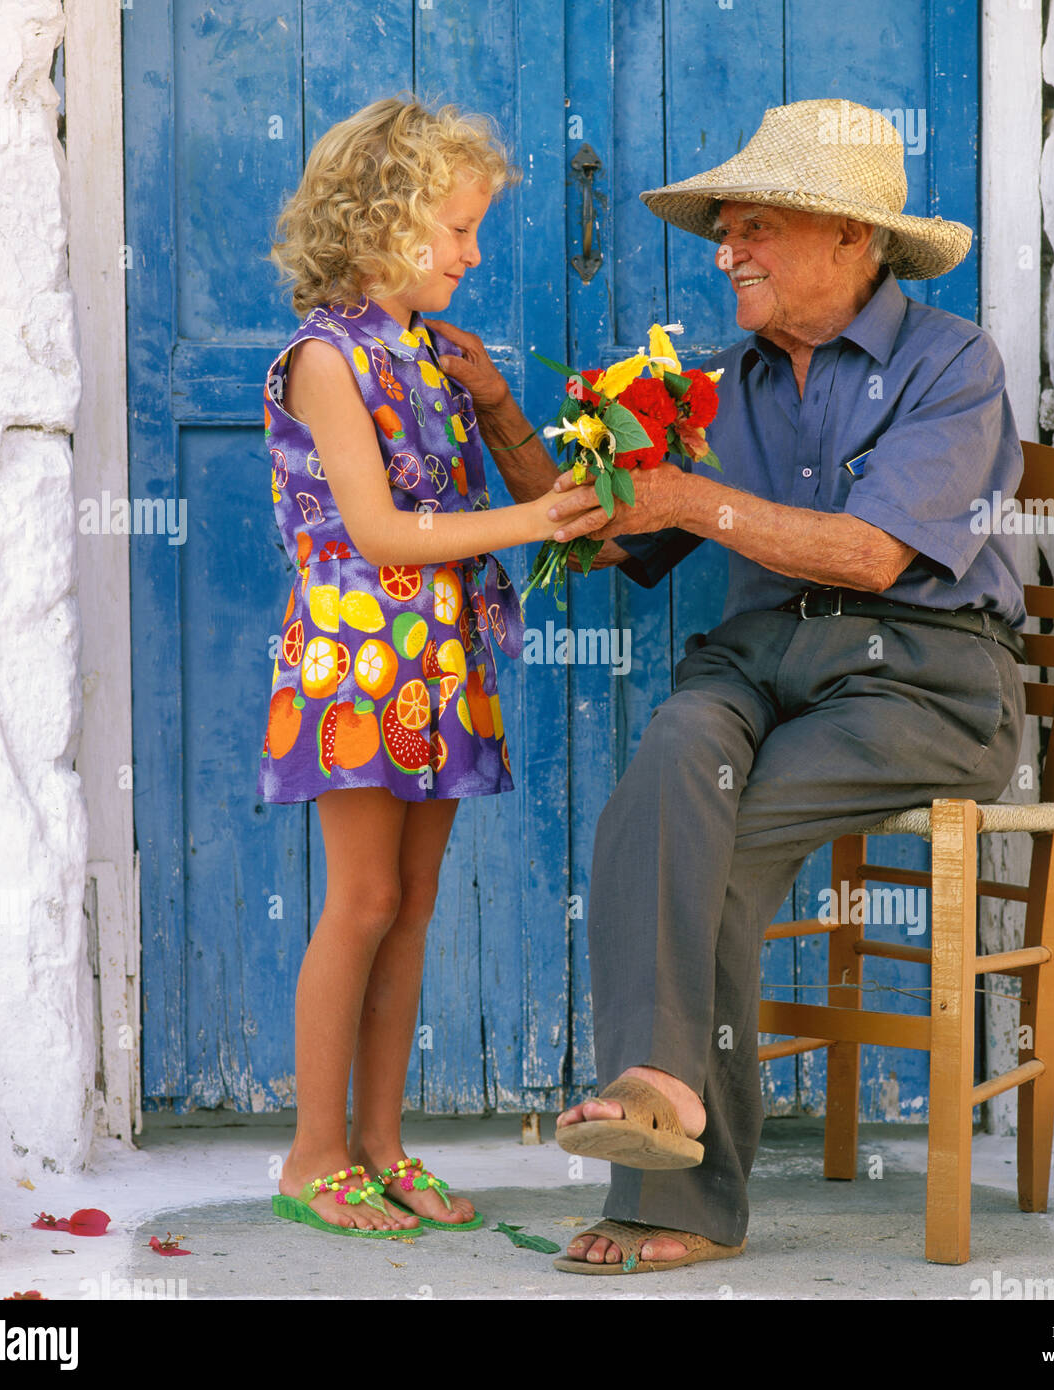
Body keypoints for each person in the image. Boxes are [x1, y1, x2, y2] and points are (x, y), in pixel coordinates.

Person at [444, 98, 1028, 1274]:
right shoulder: (711, 383)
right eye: (723, 230)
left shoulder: (951, 362)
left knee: (713, 845)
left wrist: (689, 500)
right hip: (757, 663)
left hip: (917, 678)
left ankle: (681, 1198)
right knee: (670, 761)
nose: (726, 252)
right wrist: (506, 414)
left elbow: (873, 554)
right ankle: (660, 1084)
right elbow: (608, 532)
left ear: (851, 239)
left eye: (755, 226)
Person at [258, 96, 604, 1236]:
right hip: (358, 666)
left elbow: (464, 498)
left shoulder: (427, 356)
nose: (473, 252)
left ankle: (381, 1144)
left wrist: (503, 417)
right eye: (455, 231)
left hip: (434, 664)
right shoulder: (322, 360)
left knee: (408, 906)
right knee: (358, 899)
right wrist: (534, 522)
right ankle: (313, 1155)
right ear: (379, 224)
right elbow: (381, 534)